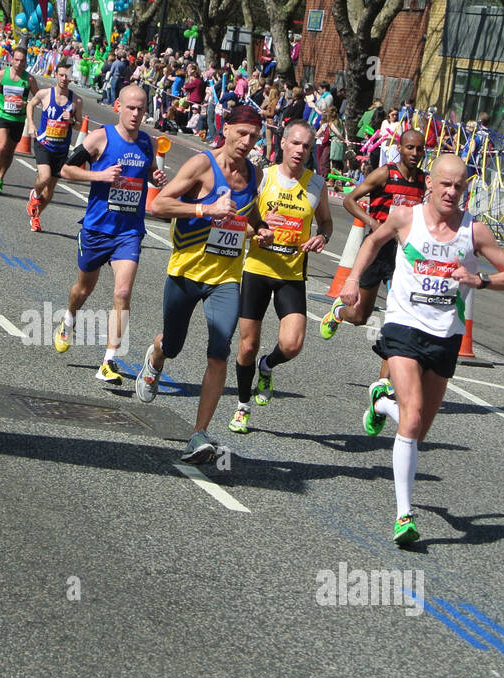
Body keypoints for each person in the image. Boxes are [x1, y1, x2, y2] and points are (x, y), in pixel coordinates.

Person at [340, 154, 504, 544]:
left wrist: (479, 280)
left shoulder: (475, 231)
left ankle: (380, 404)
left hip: (445, 336)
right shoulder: (406, 217)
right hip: (404, 325)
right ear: (430, 184)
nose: (451, 192)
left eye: (459, 186)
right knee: (413, 414)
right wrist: (353, 279)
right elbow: (372, 241)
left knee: (417, 431)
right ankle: (404, 516)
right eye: (445, 184)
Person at [136, 105, 263, 464]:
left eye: (253, 136)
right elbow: (160, 204)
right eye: (241, 133)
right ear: (226, 129)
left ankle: (198, 435)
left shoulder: (255, 174)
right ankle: (156, 356)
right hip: (186, 272)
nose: (247, 142)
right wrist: (205, 211)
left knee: (219, 350)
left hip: (225, 278)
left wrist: (260, 229)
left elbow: (249, 213)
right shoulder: (201, 165)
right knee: (173, 344)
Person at [53, 86, 166, 383]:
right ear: (118, 106)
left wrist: (155, 176)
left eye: (141, 109)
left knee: (123, 292)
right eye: (130, 108)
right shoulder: (100, 138)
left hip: (128, 232)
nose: (136, 114)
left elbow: (150, 169)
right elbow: (65, 169)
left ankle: (109, 361)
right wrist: (98, 175)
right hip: (96, 228)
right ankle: (69, 319)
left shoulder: (147, 143)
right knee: (83, 289)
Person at [228, 120, 331, 434]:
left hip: (291, 273)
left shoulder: (317, 185)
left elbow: (326, 224)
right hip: (257, 269)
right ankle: (243, 406)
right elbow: (239, 220)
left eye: (307, 147)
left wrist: (322, 238)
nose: (300, 151)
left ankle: (267, 365)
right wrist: (255, 232)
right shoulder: (263, 177)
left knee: (292, 344)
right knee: (247, 346)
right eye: (296, 144)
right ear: (283, 144)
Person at [319, 129, 428, 383]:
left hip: (403, 256)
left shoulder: (424, 181)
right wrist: (373, 222)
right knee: (359, 317)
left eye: (420, 149)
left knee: (401, 316)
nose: (415, 153)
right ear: (400, 148)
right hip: (376, 250)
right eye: (410, 148)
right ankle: (338, 313)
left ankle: (385, 385)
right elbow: (350, 200)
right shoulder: (384, 174)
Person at [25, 61, 82, 232]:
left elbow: (79, 125)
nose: (64, 79)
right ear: (56, 75)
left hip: (61, 148)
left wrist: (71, 120)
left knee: (50, 189)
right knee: (44, 177)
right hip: (44, 143)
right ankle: (34, 193)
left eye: (67, 76)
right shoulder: (45, 94)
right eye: (61, 75)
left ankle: (36, 217)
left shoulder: (76, 100)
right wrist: (31, 124)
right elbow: (30, 104)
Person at [0, 46, 38, 195]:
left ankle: (1, 177)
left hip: (18, 118)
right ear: (12, 60)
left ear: (26, 62)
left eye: (22, 61)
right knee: (2, 147)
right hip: (2, 115)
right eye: (16, 60)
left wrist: (26, 104)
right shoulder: (2, 74)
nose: (19, 63)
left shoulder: (29, 79)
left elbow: (38, 98)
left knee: (9, 151)